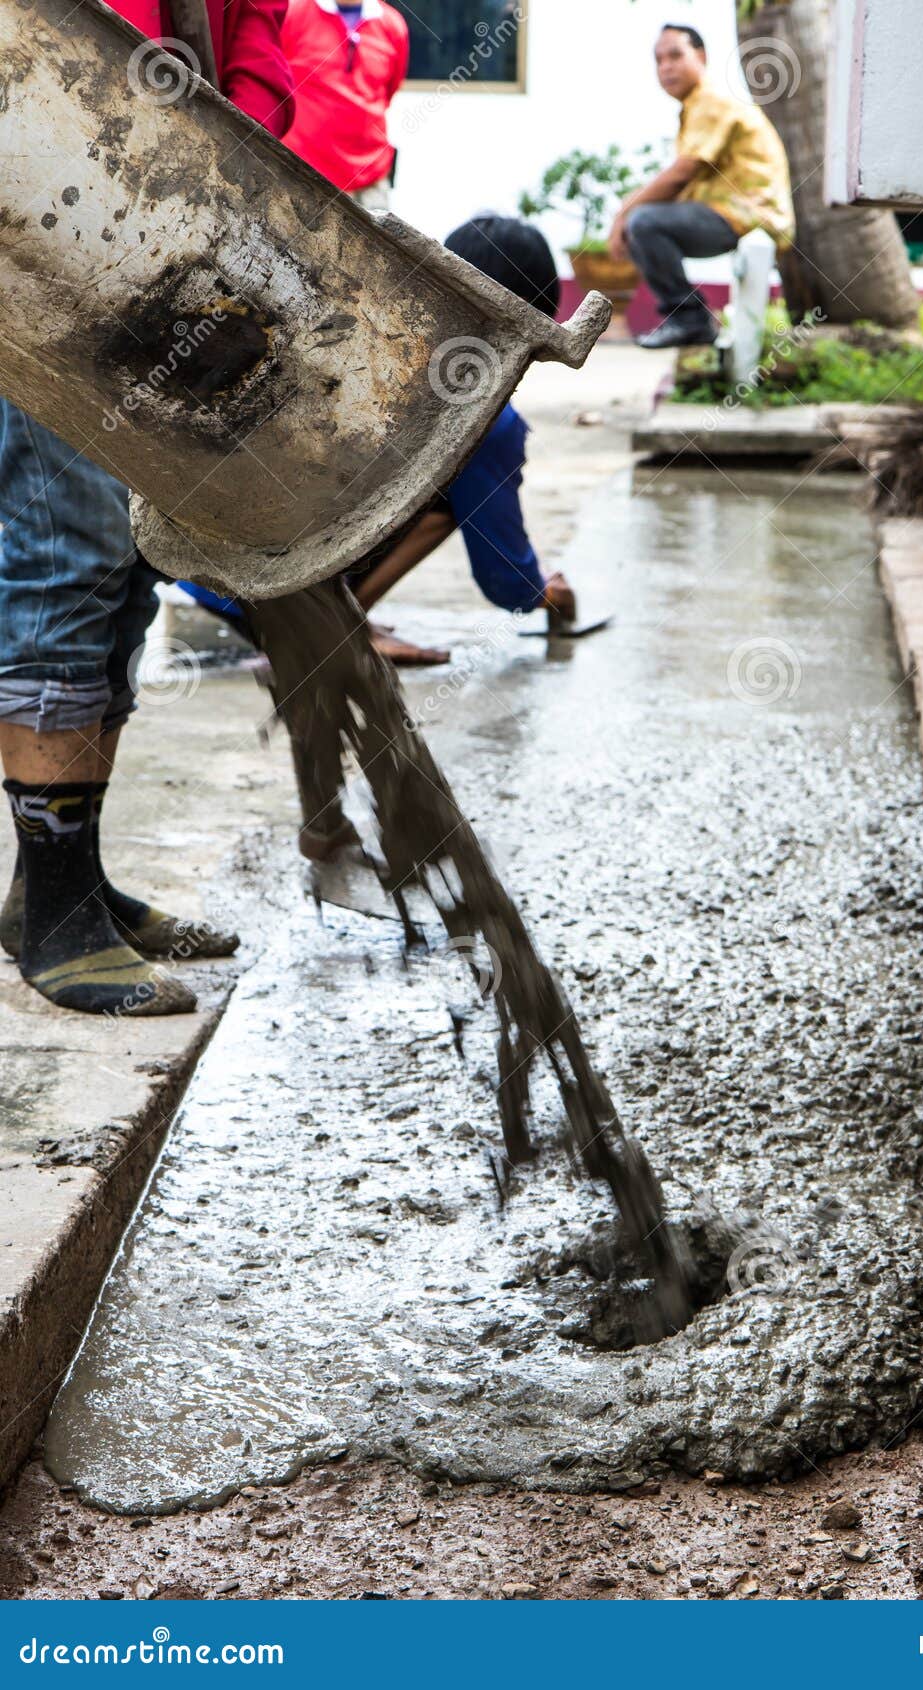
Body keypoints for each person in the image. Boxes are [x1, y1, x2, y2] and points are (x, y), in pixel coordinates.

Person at [0, 2, 294, 1018]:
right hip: (40, 216)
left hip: (174, 221)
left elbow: (258, 21)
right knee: (67, 550)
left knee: (127, 566)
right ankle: (57, 922)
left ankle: (57, 881)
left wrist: (228, 145)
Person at [344, 215, 578, 665]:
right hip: (284, 596)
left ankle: (339, 615)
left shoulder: (378, 342)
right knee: (450, 502)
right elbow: (502, 574)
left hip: (223, 575)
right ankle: (341, 627)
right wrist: (545, 592)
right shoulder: (486, 420)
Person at [608, 23, 795, 350]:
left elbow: (681, 174)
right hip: (733, 215)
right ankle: (691, 318)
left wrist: (623, 213)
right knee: (644, 222)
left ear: (701, 56)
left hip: (750, 215)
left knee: (643, 222)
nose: (666, 67)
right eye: (659, 59)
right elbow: (684, 183)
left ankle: (690, 319)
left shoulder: (710, 100)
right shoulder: (695, 106)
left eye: (676, 55)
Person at [278, 0, 410, 212]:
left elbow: (389, 90)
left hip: (371, 182)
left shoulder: (392, 25)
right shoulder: (292, 12)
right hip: (301, 176)